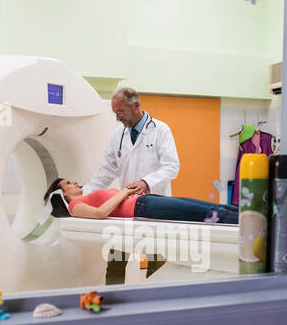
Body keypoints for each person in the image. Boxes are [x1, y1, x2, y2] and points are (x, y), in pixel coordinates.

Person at [84, 86, 180, 197]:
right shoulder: (118, 134)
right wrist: (85, 192)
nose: (117, 118)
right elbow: (107, 170)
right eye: (115, 113)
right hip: (128, 203)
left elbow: (171, 166)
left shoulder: (161, 130)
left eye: (120, 112)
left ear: (136, 106)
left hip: (156, 200)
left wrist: (146, 182)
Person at [45, 179, 238, 224]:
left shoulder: (87, 196)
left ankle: (256, 215)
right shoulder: (74, 206)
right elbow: (99, 213)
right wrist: (124, 191)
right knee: (211, 213)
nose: (75, 182)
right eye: (68, 183)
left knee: (217, 207)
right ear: (63, 195)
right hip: (143, 207)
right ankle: (257, 223)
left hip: (146, 200)